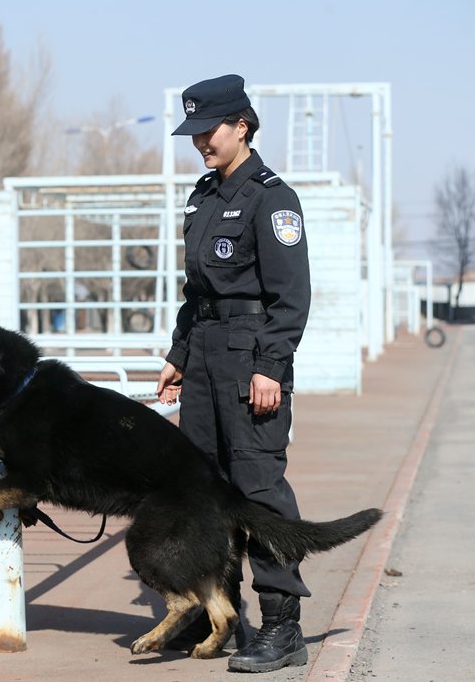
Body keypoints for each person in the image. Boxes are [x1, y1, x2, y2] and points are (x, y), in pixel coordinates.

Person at [155, 74, 312, 673]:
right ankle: (213, 611)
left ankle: (282, 626)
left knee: (257, 488)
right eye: (193, 133)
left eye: (209, 130)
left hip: (251, 358)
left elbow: (290, 296)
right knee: (203, 489)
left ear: (242, 125)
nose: (200, 142)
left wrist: (271, 366)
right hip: (205, 354)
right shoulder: (204, 196)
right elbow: (198, 293)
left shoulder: (273, 199)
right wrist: (179, 354)